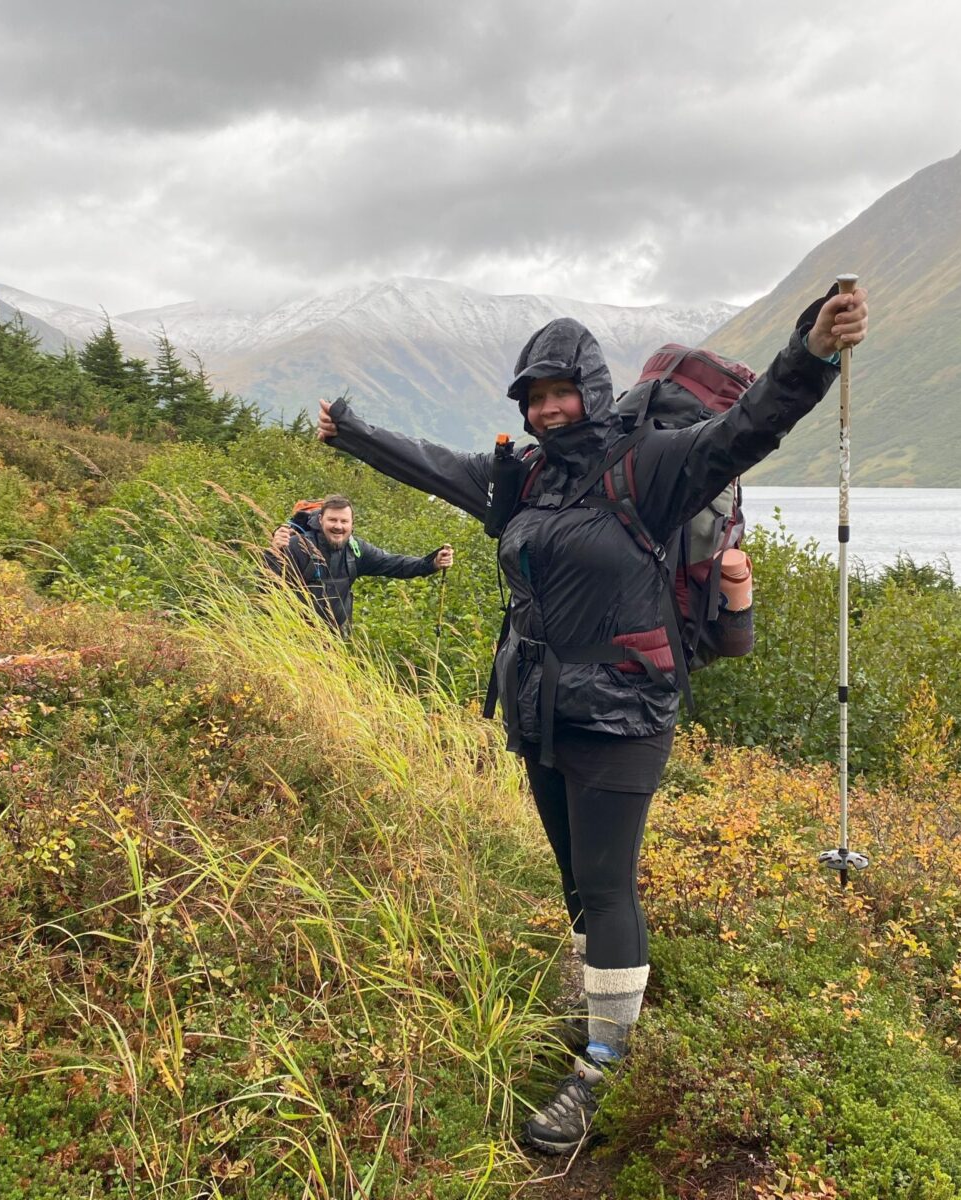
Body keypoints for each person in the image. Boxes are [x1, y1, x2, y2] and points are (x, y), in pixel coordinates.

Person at [317, 285, 868, 1153]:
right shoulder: (525, 478)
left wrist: (812, 349)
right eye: (532, 397)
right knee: (578, 884)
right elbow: (434, 465)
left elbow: (751, 424)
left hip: (623, 716)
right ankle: (602, 998)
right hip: (541, 713)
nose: (545, 409)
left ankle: (604, 1064)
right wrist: (350, 432)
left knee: (609, 887)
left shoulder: (652, 468)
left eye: (558, 392)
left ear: (593, 389)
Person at [266, 494, 454, 635]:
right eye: (332, 520)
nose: (338, 526)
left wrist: (432, 563)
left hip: (335, 642)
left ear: (352, 524)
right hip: (294, 639)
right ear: (321, 520)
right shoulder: (298, 545)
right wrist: (274, 552)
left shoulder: (355, 550)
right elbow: (268, 587)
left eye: (344, 521)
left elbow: (395, 564)